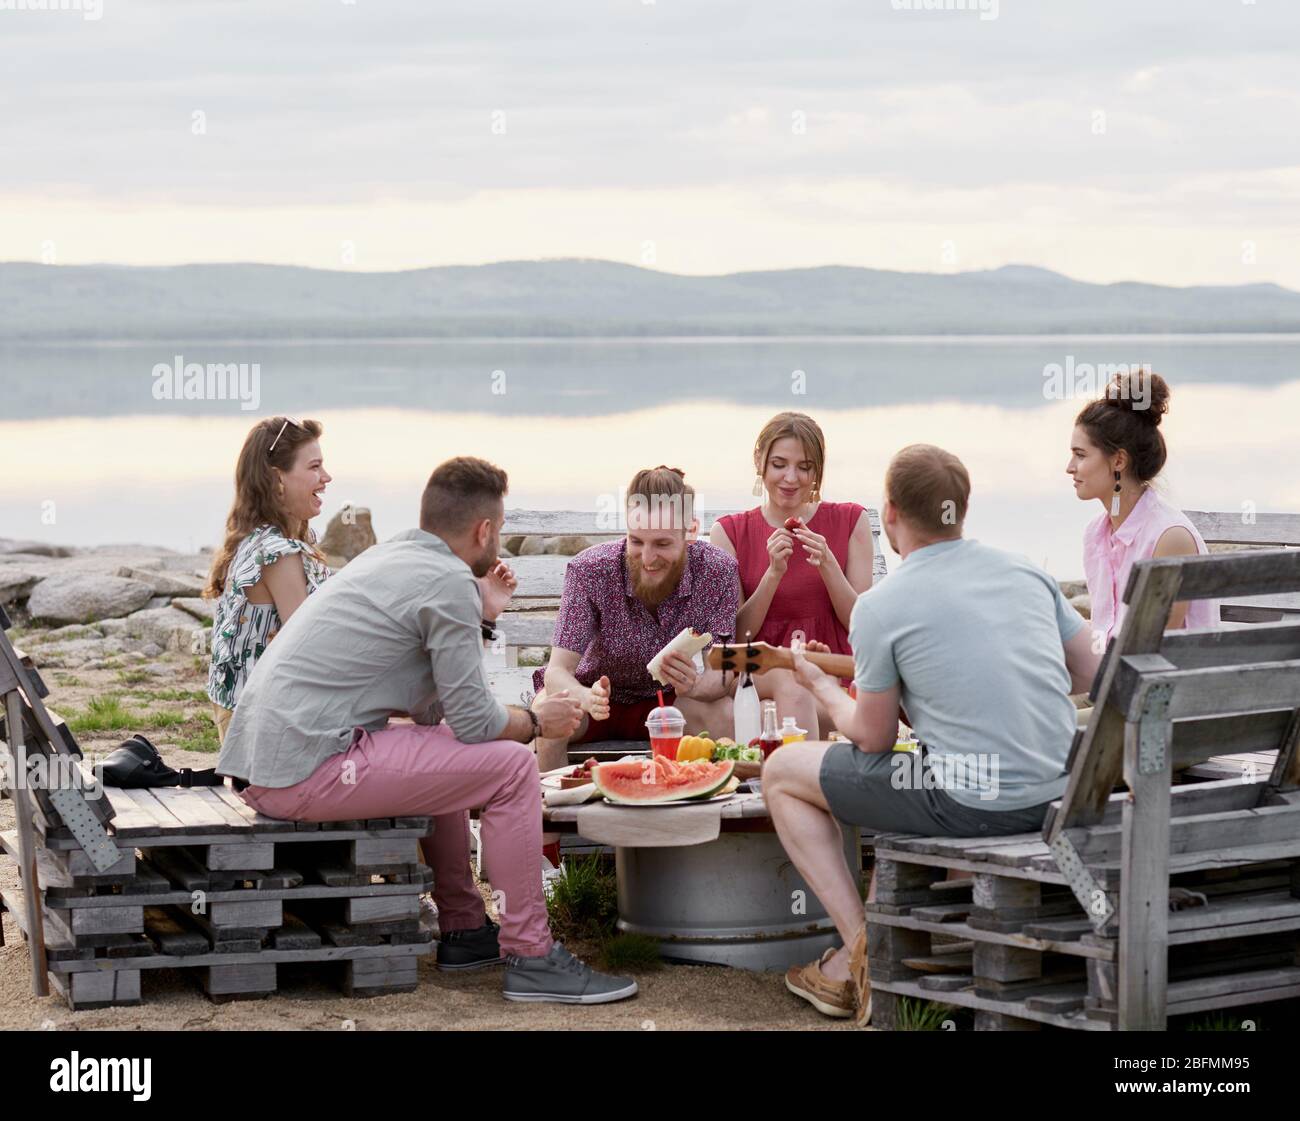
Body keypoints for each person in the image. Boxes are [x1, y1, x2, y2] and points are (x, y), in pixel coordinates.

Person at [216, 456, 638, 1005]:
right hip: (304, 768)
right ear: (484, 530)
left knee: (455, 754)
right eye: (500, 528)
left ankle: (464, 930)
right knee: (512, 766)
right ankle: (533, 958)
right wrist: (537, 720)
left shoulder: (394, 557)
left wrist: (484, 619)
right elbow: (477, 722)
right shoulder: (446, 582)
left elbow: (436, 715)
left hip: (271, 760)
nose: (500, 539)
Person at [763, 445, 1100, 1024]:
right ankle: (862, 955)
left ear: (889, 513)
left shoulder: (880, 606)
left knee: (780, 773)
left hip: (971, 801)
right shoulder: (1025, 571)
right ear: (961, 508)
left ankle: (863, 949)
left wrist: (820, 686)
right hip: (1057, 794)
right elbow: (1093, 672)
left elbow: (870, 738)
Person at [533, 465, 740, 793]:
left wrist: (695, 685)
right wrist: (586, 697)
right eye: (636, 541)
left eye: (662, 543)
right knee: (547, 710)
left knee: (726, 714)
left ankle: (703, 820)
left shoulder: (718, 570)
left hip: (671, 702)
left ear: (690, 532)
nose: (647, 558)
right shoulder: (590, 570)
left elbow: (725, 671)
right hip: (597, 702)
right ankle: (549, 842)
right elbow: (557, 672)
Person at [710, 412, 875, 738]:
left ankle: (795, 778)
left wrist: (828, 565)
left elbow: (862, 625)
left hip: (831, 669)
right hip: (761, 673)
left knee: (807, 700)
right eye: (779, 464)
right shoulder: (729, 533)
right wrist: (772, 574)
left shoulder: (851, 520)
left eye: (804, 467)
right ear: (760, 462)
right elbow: (738, 633)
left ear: (817, 471)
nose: (791, 478)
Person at [204, 416, 333, 744]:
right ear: (277, 479)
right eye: (315, 467)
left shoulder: (260, 540)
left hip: (254, 720)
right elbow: (310, 649)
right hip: (263, 736)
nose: (326, 477)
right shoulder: (278, 554)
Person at [1067, 370, 1216, 647]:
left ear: (1119, 461)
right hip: (1117, 673)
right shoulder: (1096, 534)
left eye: (1080, 455)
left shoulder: (1169, 537)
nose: (1070, 468)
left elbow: (1153, 643)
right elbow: (1108, 628)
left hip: (1168, 684)